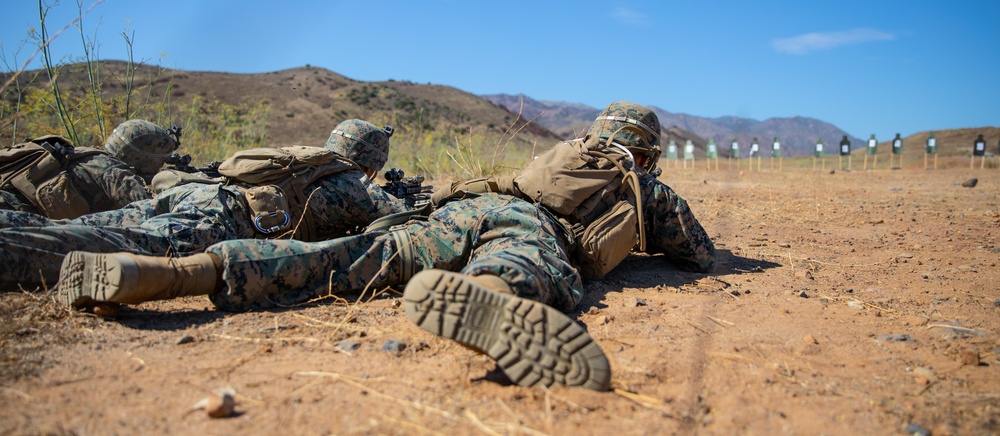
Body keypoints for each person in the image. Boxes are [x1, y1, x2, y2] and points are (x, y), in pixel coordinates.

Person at [58, 102, 715, 391]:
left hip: (457, 211)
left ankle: (163, 274)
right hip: (527, 225)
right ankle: (483, 294)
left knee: (344, 259)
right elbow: (697, 253)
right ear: (648, 151)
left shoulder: (558, 156)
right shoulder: (641, 182)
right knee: (521, 260)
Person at [0, 119, 409, 290]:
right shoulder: (355, 182)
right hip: (219, 218)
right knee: (111, 245)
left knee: (101, 225)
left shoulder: (309, 160)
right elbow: (403, 221)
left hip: (200, 193)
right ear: (373, 162)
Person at [0, 119, 178, 219]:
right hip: (14, 216)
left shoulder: (85, 155)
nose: (161, 167)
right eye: (160, 162)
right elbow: (153, 214)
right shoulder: (117, 174)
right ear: (145, 158)